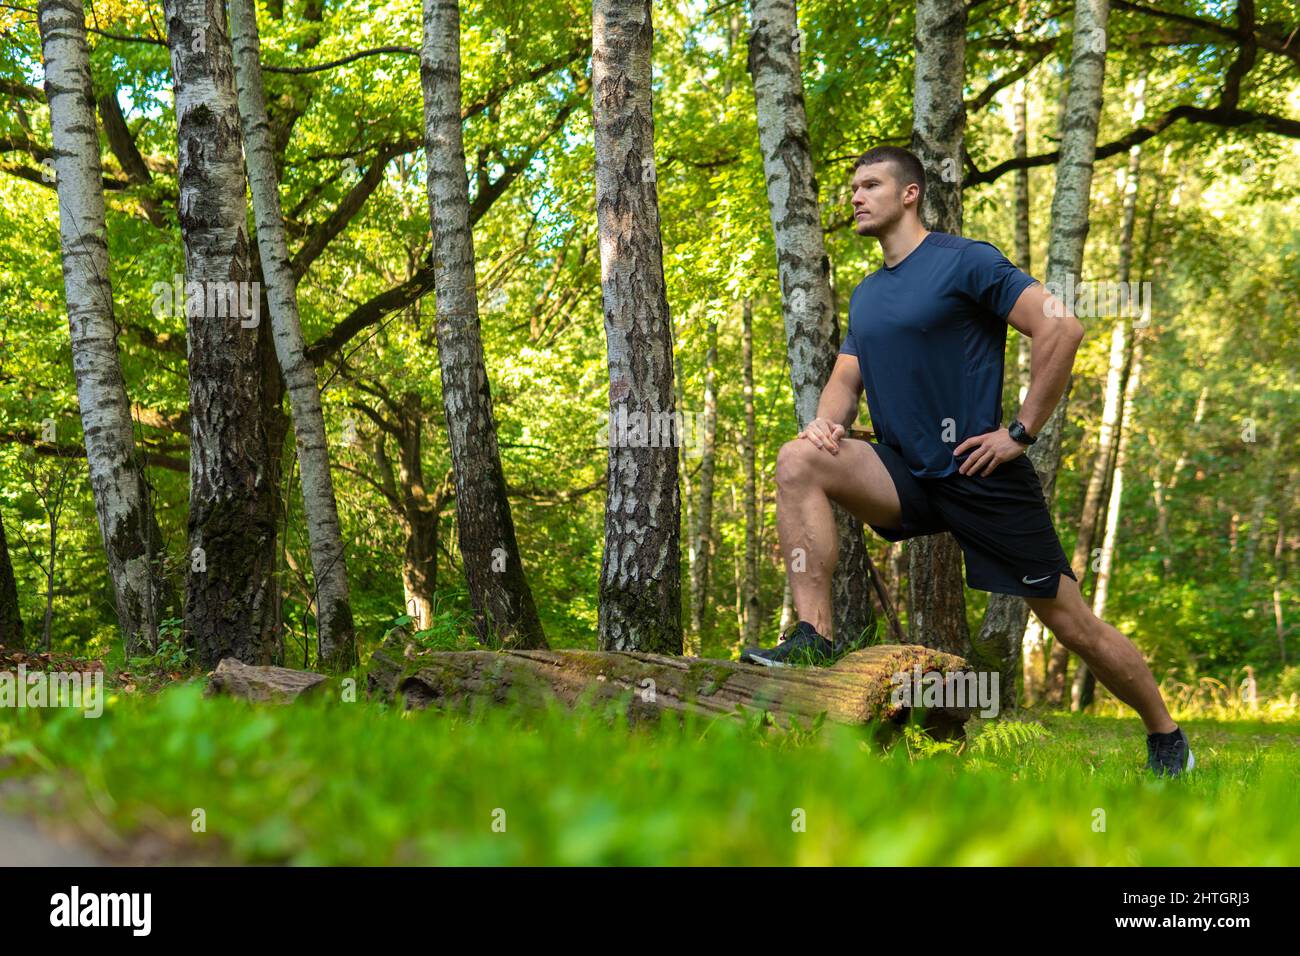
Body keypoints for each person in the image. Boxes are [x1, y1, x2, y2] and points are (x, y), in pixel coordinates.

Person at [739, 145, 1193, 777]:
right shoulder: (868, 296)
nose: (855, 196)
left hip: (983, 474)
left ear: (909, 194)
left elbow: (1062, 328)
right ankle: (813, 639)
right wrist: (825, 422)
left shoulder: (965, 261)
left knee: (1072, 624)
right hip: (905, 473)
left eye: (870, 184)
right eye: (852, 187)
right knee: (798, 461)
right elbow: (846, 380)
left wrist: (1020, 432)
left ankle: (1166, 735)